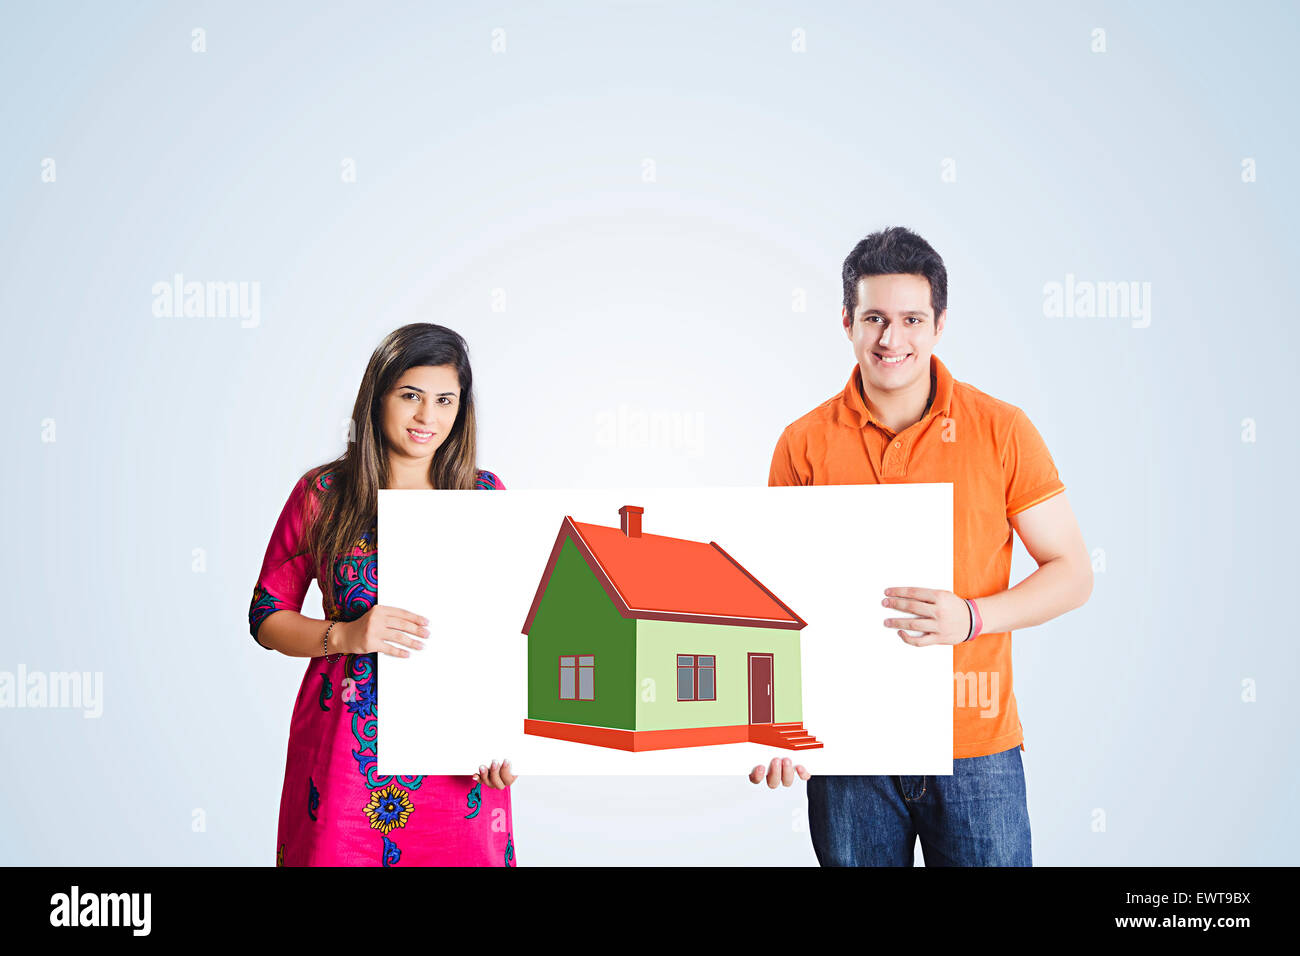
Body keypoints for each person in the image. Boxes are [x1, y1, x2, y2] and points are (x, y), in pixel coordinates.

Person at [752, 226, 1093, 866]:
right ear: (847, 322)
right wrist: (774, 722)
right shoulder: (802, 443)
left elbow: (1073, 571)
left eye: (911, 318)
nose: (891, 338)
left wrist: (972, 617)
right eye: (875, 318)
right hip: (848, 748)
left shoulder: (1002, 430)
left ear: (939, 325)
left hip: (975, 747)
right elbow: (775, 602)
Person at [249, 323, 518, 866]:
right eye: (410, 396)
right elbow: (266, 615)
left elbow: (515, 632)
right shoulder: (323, 494)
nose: (427, 417)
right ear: (378, 397)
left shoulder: (485, 496)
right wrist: (345, 634)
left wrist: (506, 736)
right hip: (346, 753)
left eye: (445, 400)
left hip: (457, 757)